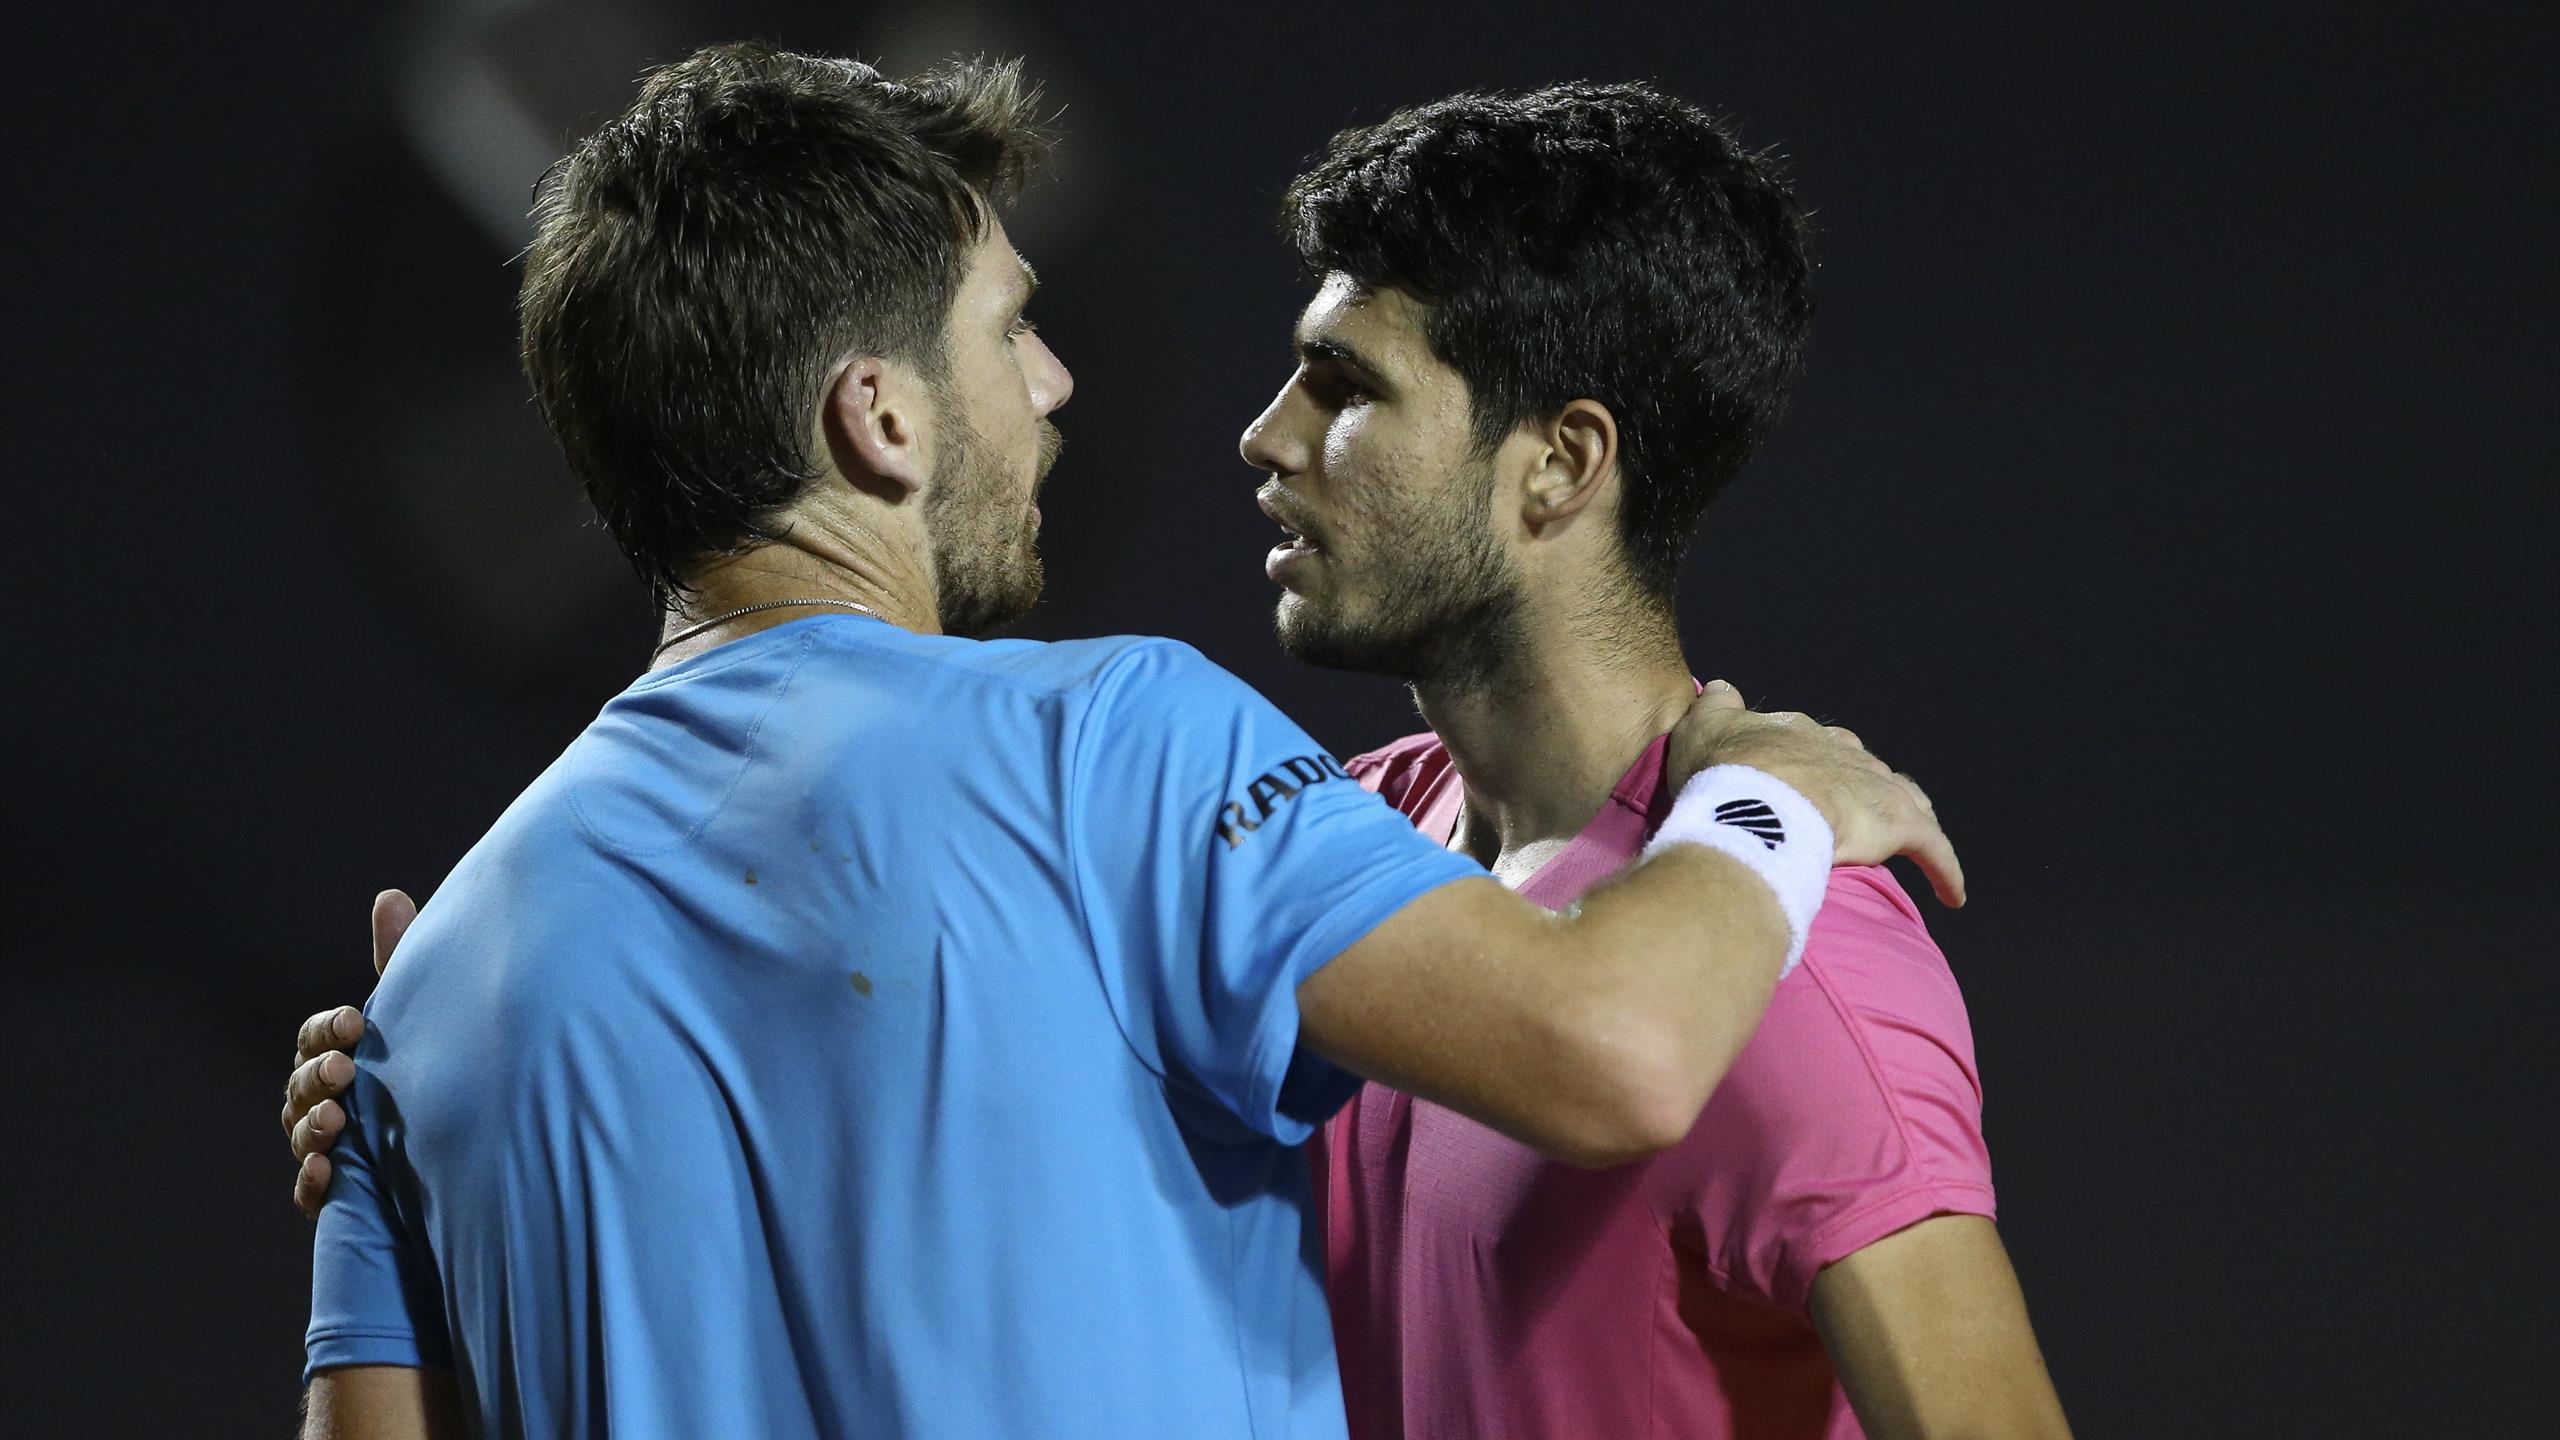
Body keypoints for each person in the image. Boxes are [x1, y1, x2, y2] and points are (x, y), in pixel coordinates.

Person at [278, 43, 1957, 1440]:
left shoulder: (417, 1015)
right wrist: (1759, 805)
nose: (1059, 381)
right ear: (880, 416)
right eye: (1009, 328)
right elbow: (1617, 1054)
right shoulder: (1114, 743)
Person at [1240, 85, 2073, 1437]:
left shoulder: (1801, 963)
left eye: (1348, 386)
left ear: (1561, 465)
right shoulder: (1351, 828)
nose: (1270, 435)